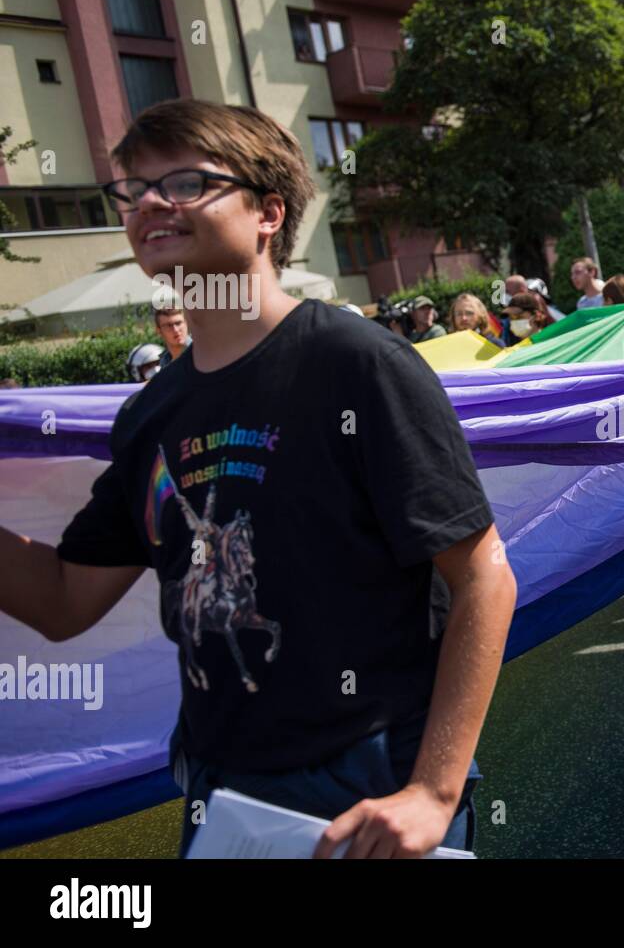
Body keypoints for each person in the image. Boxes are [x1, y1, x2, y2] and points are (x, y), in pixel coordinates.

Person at [0, 98, 516, 858]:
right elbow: (63, 597)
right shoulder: (150, 415)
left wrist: (433, 792)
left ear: (268, 211)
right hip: (221, 793)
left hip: (368, 779)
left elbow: (484, 579)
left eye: (183, 182)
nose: (148, 204)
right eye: (133, 189)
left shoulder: (357, 363)